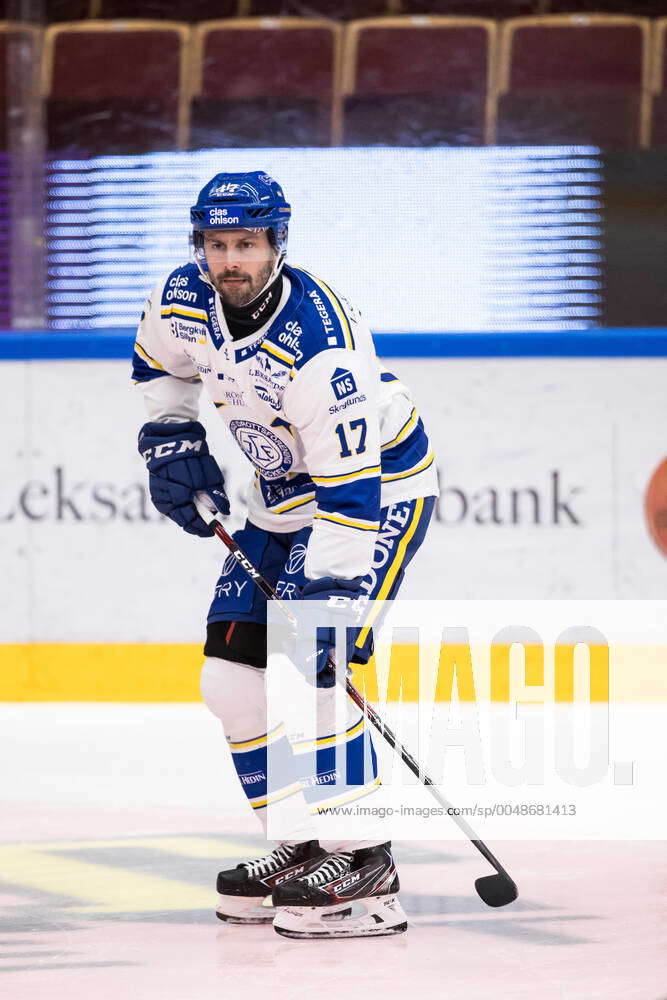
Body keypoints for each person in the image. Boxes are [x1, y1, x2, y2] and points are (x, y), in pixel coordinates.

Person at [132, 170, 438, 939]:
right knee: (229, 679)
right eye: (215, 244)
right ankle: (300, 845)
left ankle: (365, 863)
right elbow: (161, 367)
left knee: (314, 666)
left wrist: (328, 598)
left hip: (373, 491)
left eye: (245, 244)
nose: (228, 259)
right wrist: (171, 436)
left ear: (276, 245)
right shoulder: (182, 297)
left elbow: (351, 490)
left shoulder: (319, 342)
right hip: (280, 495)